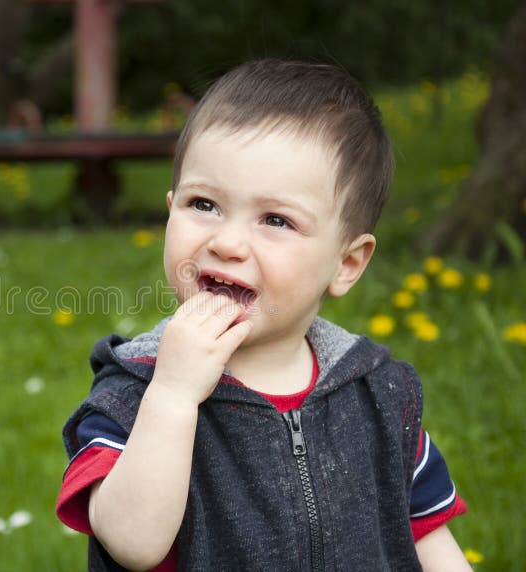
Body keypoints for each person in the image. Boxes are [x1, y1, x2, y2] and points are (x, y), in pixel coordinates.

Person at [56, 59, 469, 571]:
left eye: (276, 219)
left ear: (346, 264)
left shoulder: (379, 396)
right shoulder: (133, 393)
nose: (226, 243)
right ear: (170, 210)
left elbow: (426, 537)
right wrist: (174, 395)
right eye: (203, 204)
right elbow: (133, 545)